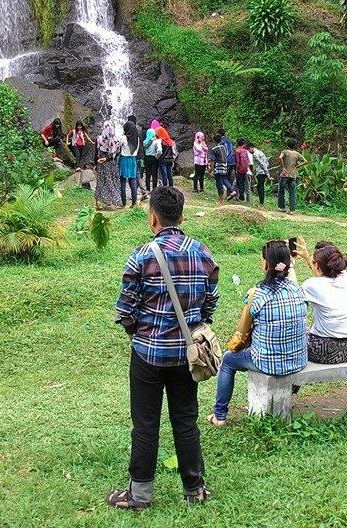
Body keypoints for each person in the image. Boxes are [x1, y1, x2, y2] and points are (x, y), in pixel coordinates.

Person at [110, 186, 219, 510]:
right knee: (186, 421)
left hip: (147, 354)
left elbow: (125, 310)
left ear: (152, 218)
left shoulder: (141, 256)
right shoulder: (203, 253)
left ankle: (140, 495)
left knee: (145, 424)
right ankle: (194, 490)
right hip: (188, 356)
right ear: (182, 216)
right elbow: (209, 304)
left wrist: (139, 335)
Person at [208, 240, 307, 426]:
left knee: (228, 361)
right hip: (298, 360)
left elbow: (242, 331)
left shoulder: (258, 294)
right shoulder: (297, 288)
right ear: (288, 265)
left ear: (266, 264)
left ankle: (219, 415)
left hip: (267, 362)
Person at [293, 238, 347, 364]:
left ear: (317, 266)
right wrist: (308, 258)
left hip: (324, 351)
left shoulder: (311, 285)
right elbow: (323, 273)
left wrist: (290, 266)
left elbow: (290, 296)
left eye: (313, 263)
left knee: (289, 336)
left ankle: (290, 381)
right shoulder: (346, 276)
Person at [96, 121, 122, 209]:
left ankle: (99, 203)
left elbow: (96, 152)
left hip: (101, 163)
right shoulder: (117, 140)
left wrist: (95, 163)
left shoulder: (99, 139)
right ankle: (114, 201)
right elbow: (118, 153)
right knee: (113, 181)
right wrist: (108, 158)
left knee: (101, 182)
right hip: (112, 163)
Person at [277, 139, 306, 214]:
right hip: (293, 175)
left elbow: (280, 157)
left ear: (287, 145)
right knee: (292, 192)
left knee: (281, 191)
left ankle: (282, 207)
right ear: (295, 145)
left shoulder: (284, 152)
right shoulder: (297, 154)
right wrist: (297, 166)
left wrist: (283, 167)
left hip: (284, 175)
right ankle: (292, 210)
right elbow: (305, 161)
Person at [120, 119, 141, 208]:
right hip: (133, 160)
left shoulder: (123, 138)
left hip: (124, 160)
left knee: (123, 181)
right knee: (133, 181)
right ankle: (134, 203)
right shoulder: (137, 138)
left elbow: (119, 147)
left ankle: (124, 203)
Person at [209, 132, 230, 205]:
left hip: (218, 168)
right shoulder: (223, 147)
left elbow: (212, 161)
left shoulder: (214, 149)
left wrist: (211, 170)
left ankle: (221, 200)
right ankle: (230, 191)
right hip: (225, 166)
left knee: (219, 183)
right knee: (224, 179)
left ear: (214, 140)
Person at [248, 141, 270, 207]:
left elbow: (261, 164)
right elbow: (266, 162)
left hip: (261, 172)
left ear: (251, 148)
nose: (249, 152)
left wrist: (267, 173)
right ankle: (261, 202)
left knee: (260, 188)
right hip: (263, 171)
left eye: (249, 150)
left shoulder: (255, 154)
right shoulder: (260, 152)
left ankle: (261, 204)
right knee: (259, 187)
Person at [219, 130, 237, 198]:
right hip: (233, 161)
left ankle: (229, 191)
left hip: (226, 161)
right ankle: (229, 194)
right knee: (229, 177)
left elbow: (222, 153)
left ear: (219, 135)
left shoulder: (221, 142)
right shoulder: (230, 141)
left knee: (223, 177)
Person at [144, 124, 161, 192]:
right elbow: (159, 151)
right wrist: (156, 156)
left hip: (146, 158)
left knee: (148, 175)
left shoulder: (145, 141)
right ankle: (154, 189)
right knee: (154, 175)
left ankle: (147, 189)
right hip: (154, 159)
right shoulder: (157, 141)